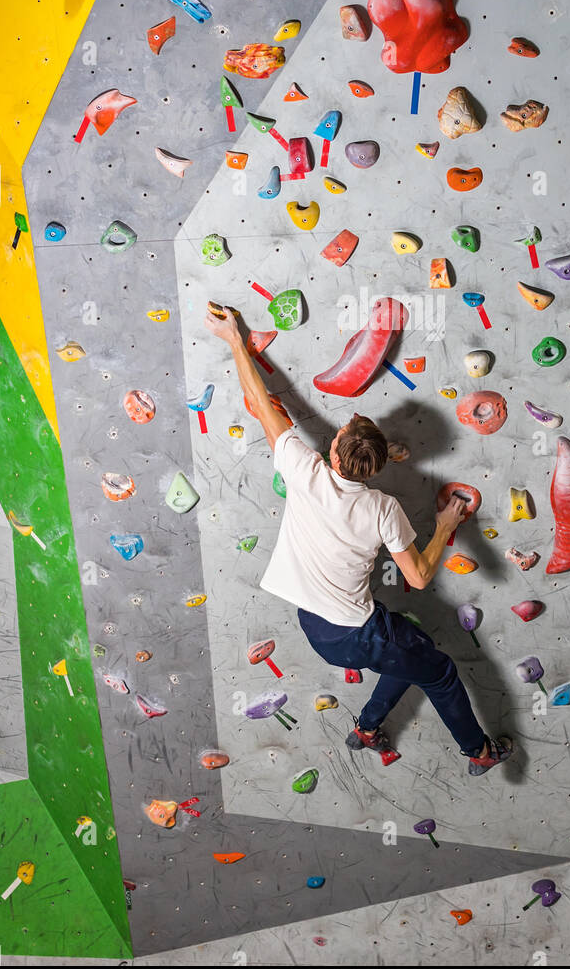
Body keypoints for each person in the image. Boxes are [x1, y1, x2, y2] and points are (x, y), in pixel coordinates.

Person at [205, 303, 513, 775]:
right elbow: (420, 575)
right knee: (442, 673)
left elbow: (261, 400)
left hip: (315, 626)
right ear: (379, 466)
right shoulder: (382, 508)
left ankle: (367, 730)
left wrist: (232, 340)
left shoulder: (301, 467)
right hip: (357, 632)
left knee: (410, 655)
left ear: (332, 448)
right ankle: (480, 754)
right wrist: (447, 526)